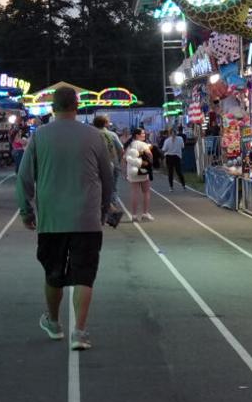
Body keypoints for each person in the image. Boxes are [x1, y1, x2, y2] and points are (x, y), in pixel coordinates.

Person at [19, 86, 117, 351]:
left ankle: (53, 322)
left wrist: (26, 210)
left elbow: (25, 177)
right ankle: (80, 332)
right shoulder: (94, 136)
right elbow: (108, 177)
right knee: (85, 275)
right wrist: (105, 207)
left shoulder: (39, 136)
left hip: (51, 219)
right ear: (77, 106)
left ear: (52, 106)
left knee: (53, 273)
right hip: (87, 218)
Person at [91, 114, 125, 221]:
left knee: (96, 189)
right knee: (112, 189)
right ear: (105, 123)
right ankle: (111, 214)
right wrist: (117, 161)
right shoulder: (112, 135)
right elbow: (121, 149)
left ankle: (99, 213)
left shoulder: (91, 134)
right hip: (112, 164)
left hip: (95, 166)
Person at [124, 128, 156, 220]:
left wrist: (124, 171)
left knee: (134, 192)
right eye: (142, 133)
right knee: (146, 192)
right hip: (143, 169)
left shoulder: (128, 145)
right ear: (137, 135)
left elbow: (124, 158)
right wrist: (150, 163)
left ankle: (133, 215)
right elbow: (150, 155)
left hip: (131, 171)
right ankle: (145, 213)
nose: (144, 135)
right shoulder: (143, 144)